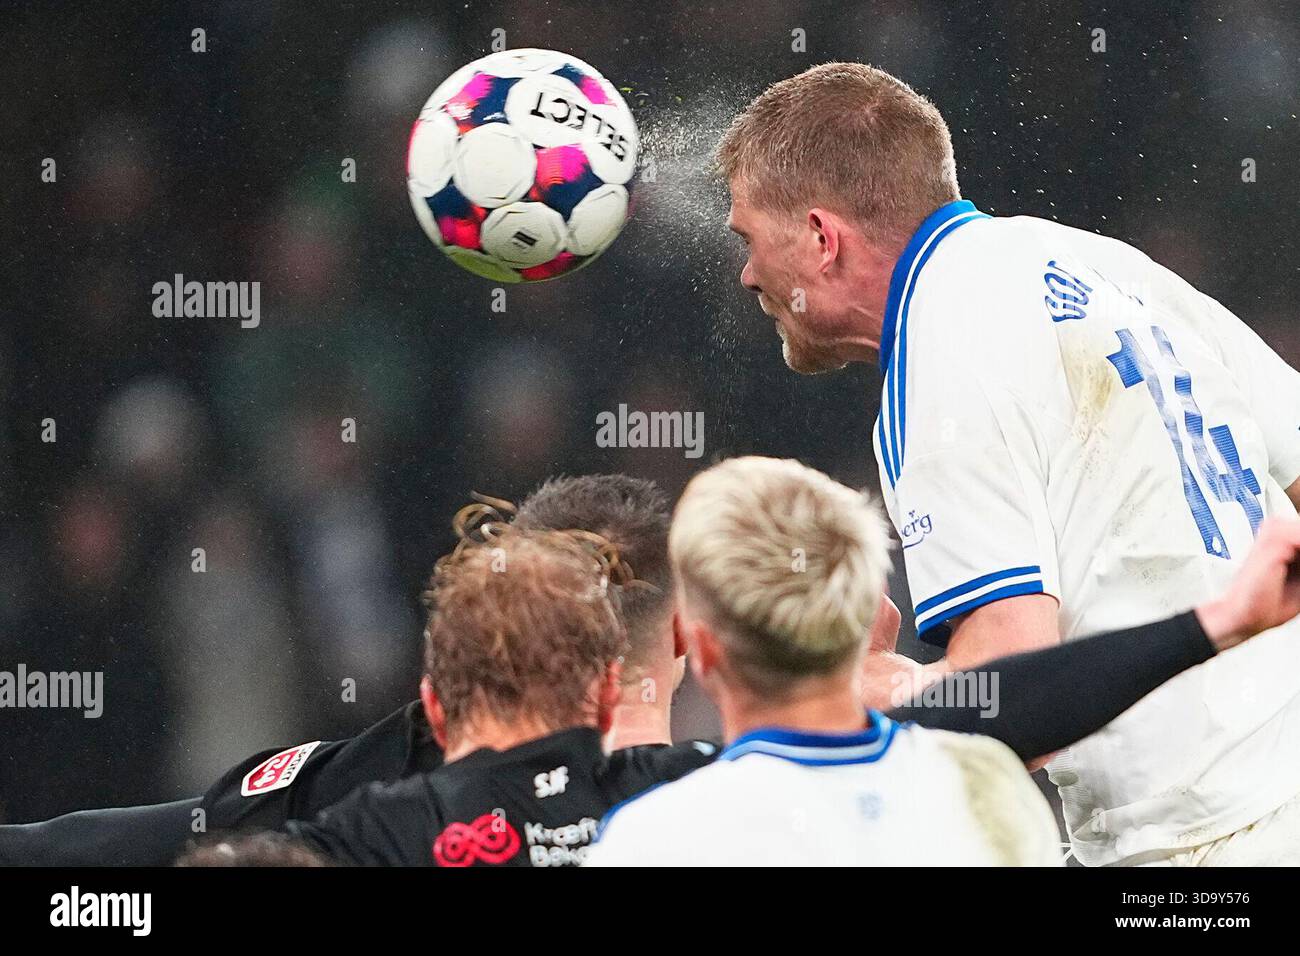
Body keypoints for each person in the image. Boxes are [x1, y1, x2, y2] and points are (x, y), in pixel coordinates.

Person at [717, 61, 1300, 865]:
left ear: (822, 239)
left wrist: (880, 692)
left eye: (748, 238)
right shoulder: (1098, 260)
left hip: (1202, 847)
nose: (748, 273)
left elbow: (1010, 699)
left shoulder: (937, 356)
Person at [585, 457, 1300, 866]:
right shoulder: (983, 792)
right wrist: (1222, 620)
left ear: (700, 650)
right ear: (875, 615)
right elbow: (1008, 709)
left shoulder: (659, 839)